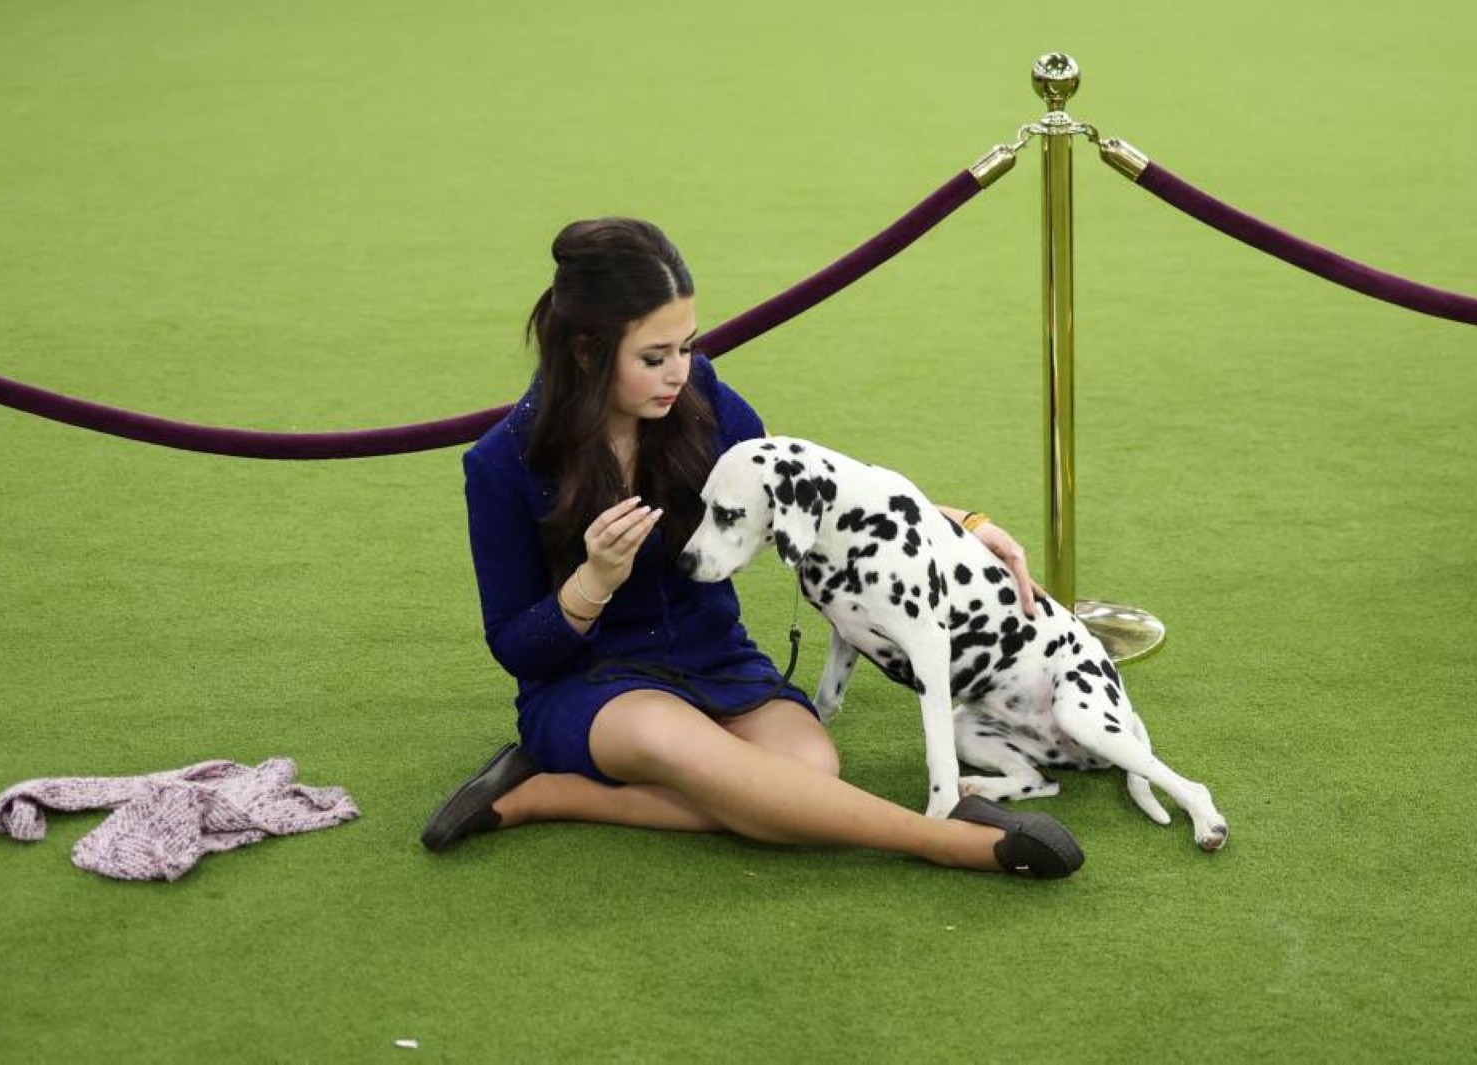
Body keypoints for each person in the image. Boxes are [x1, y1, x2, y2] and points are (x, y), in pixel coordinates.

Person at [420, 218, 1083, 878]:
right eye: (655, 356)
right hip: (591, 683)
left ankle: (550, 792)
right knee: (690, 752)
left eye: (687, 345)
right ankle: (945, 840)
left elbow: (799, 495)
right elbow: (515, 644)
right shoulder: (502, 463)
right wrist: (592, 581)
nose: (679, 372)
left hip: (715, 657)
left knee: (807, 772)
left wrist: (957, 524)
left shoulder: (701, 395)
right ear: (588, 352)